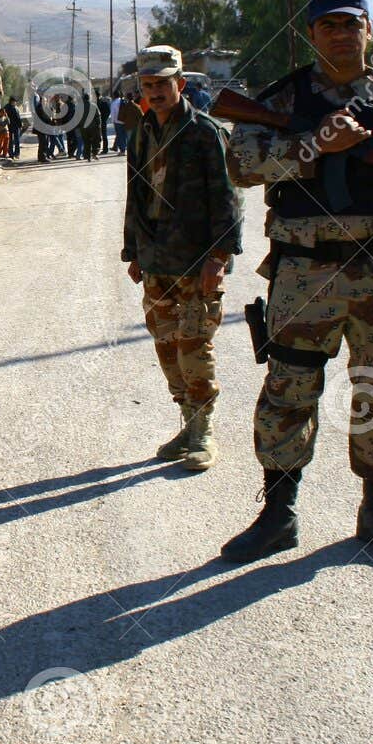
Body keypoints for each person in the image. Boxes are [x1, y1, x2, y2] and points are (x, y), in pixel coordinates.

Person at [222, 0, 373, 565]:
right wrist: (315, 145)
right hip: (303, 272)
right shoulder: (282, 98)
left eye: (352, 23)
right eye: (329, 25)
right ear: (312, 34)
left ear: (368, 30)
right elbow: (242, 164)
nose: (342, 34)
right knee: (288, 391)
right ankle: (278, 514)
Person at [123, 45, 242, 470]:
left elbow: (228, 198)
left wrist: (219, 256)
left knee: (194, 347)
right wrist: (133, 251)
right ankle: (188, 423)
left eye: (162, 84)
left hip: (196, 260)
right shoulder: (142, 133)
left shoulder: (205, 132)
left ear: (181, 83)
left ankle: (203, 432)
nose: (155, 92)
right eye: (148, 85)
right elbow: (135, 196)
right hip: (156, 259)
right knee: (167, 348)